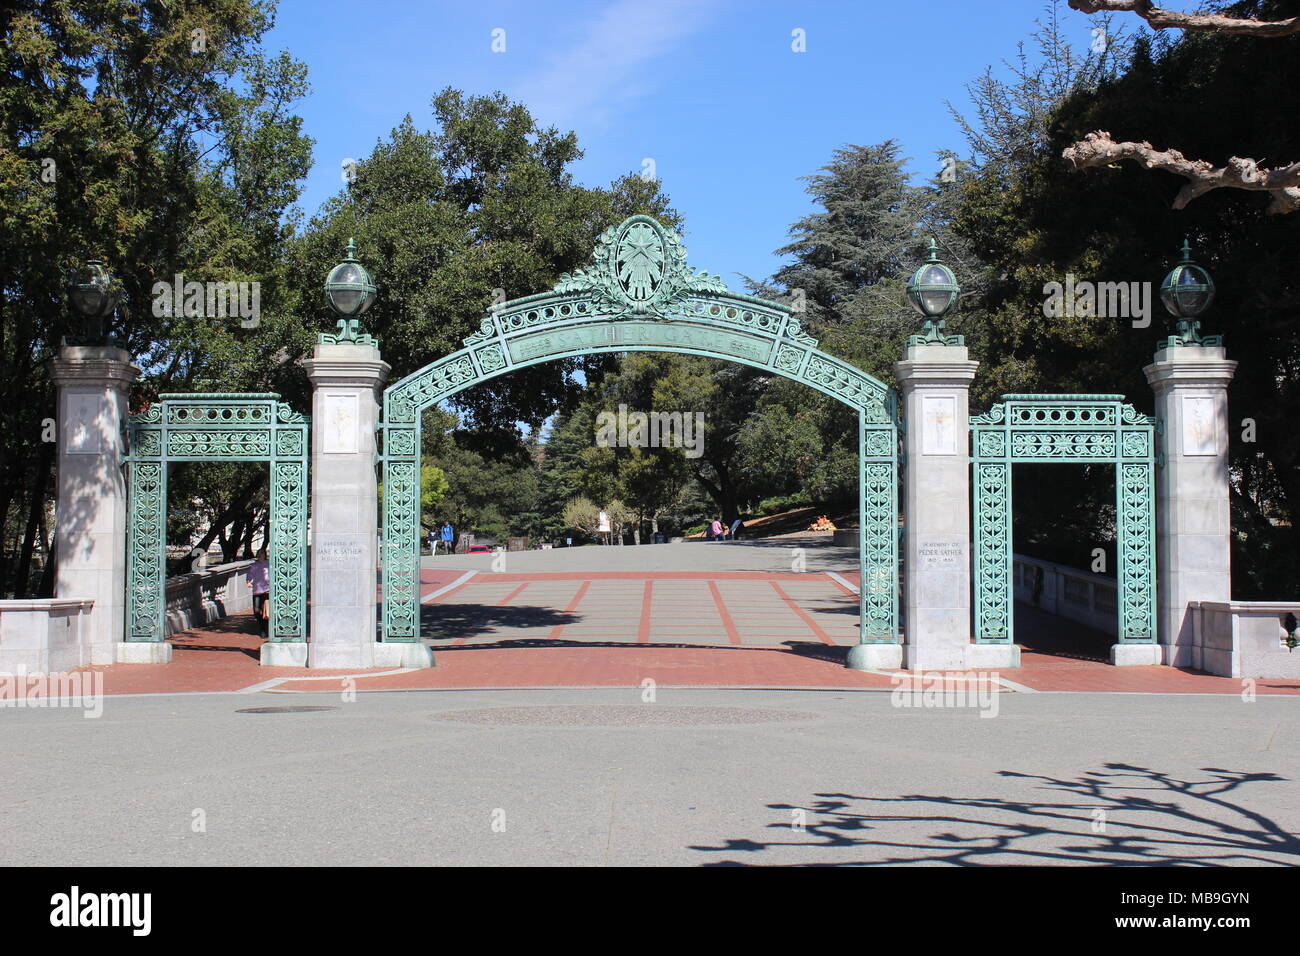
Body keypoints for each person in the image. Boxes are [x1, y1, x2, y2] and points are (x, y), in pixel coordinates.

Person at [245, 547, 270, 638]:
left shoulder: (269, 564)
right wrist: (248, 581)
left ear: (264, 555)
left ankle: (264, 630)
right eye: (258, 554)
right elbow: (249, 576)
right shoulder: (254, 566)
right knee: (256, 611)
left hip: (267, 591)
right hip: (257, 591)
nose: (260, 556)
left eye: (262, 554)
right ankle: (262, 626)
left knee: (266, 611)